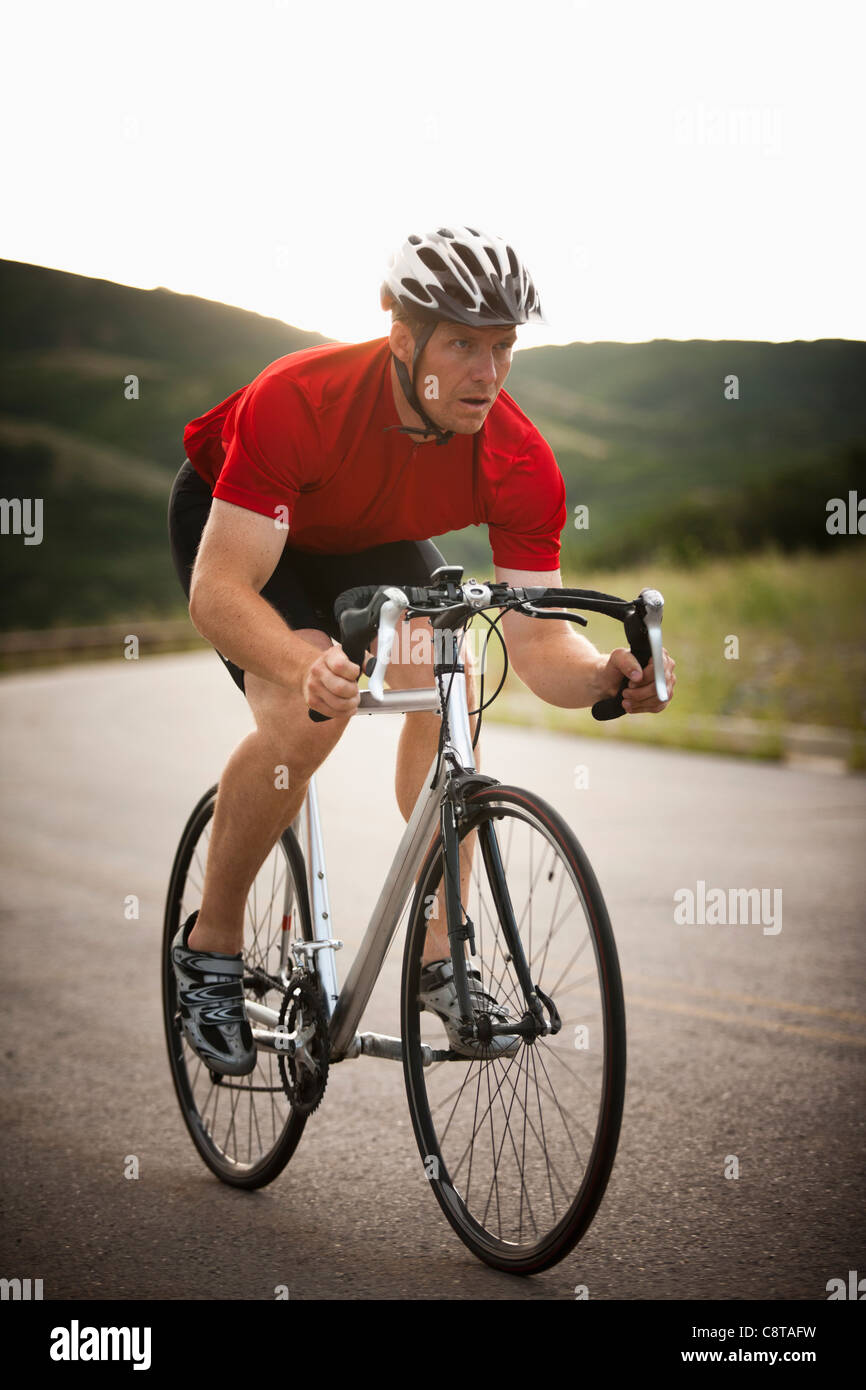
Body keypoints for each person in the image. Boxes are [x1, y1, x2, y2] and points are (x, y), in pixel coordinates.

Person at [166, 225, 676, 1075]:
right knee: (308, 714)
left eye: (504, 347)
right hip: (248, 524)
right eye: (465, 346)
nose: (489, 372)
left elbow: (539, 640)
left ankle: (443, 957)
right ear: (403, 338)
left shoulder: (517, 459)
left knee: (454, 676)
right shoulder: (301, 400)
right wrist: (306, 664)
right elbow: (217, 596)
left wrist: (606, 679)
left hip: (370, 536)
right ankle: (210, 947)